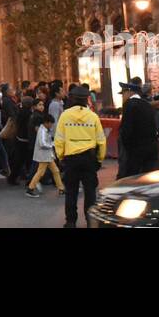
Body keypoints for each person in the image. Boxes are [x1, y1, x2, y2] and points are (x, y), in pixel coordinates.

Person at [54, 86, 106, 228]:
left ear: (72, 99)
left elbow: (59, 139)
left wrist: (61, 157)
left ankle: (70, 222)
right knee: (90, 193)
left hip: (71, 159)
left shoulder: (65, 116)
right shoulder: (93, 117)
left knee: (71, 192)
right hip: (89, 159)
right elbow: (101, 140)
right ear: (86, 99)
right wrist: (99, 159)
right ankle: (90, 222)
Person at [117, 79, 158, 177]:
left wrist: (126, 146)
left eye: (123, 93)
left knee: (131, 178)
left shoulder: (130, 104)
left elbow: (127, 129)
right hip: (151, 147)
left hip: (136, 150)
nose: (123, 97)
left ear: (130, 92)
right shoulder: (146, 104)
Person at [26, 112, 60, 197]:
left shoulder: (43, 129)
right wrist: (52, 144)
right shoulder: (42, 131)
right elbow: (42, 143)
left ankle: (61, 188)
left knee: (55, 171)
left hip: (46, 156)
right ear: (46, 123)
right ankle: (30, 189)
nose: (52, 125)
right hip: (44, 156)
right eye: (51, 123)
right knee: (41, 172)